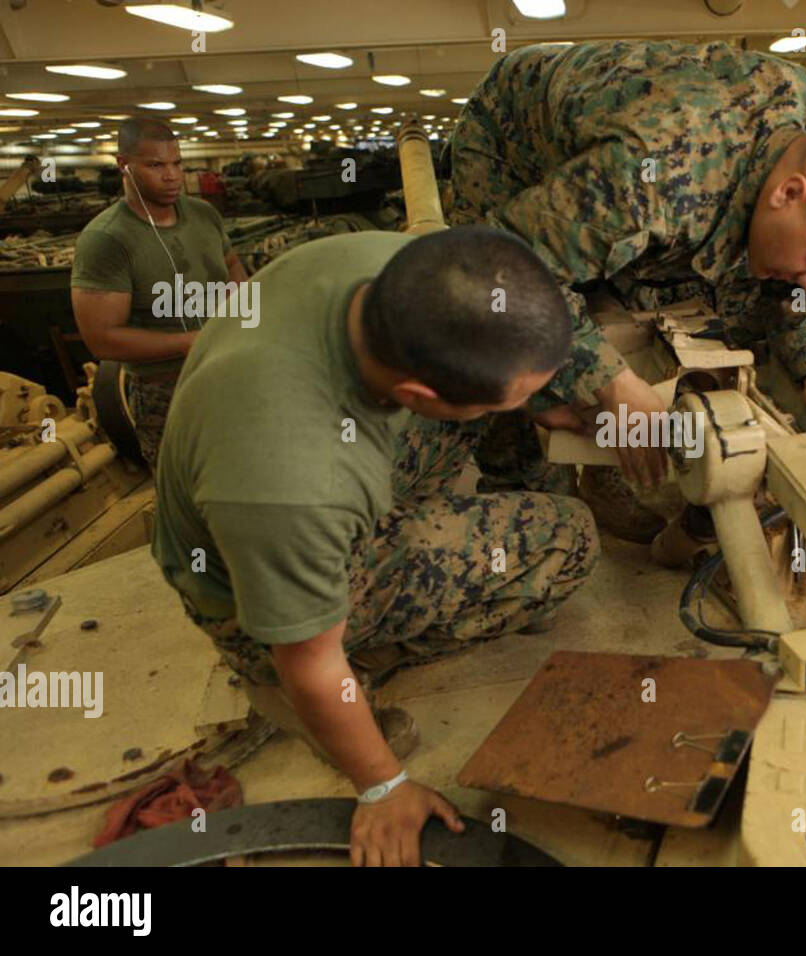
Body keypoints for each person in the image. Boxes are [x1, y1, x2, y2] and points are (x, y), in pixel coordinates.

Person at [151, 226, 599, 866]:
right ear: (419, 398)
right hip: (240, 582)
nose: (535, 404)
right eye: (523, 394)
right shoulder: (295, 481)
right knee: (569, 539)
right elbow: (310, 660)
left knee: (479, 429)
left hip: (273, 475)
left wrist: (533, 402)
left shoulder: (391, 265)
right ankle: (281, 675)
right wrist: (383, 787)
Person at [434, 39, 806, 525]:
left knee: (678, 306)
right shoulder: (651, 177)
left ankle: (618, 462)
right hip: (511, 142)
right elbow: (502, 265)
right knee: (496, 317)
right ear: (789, 193)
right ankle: (521, 496)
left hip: (636, 178)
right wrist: (613, 384)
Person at [71, 116, 248, 470]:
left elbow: (231, 268)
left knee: (249, 475)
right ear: (124, 165)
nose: (172, 176)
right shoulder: (107, 239)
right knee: (185, 491)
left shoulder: (203, 215)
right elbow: (102, 340)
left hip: (230, 372)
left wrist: (246, 319)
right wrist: (193, 341)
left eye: (177, 163)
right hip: (166, 390)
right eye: (155, 165)